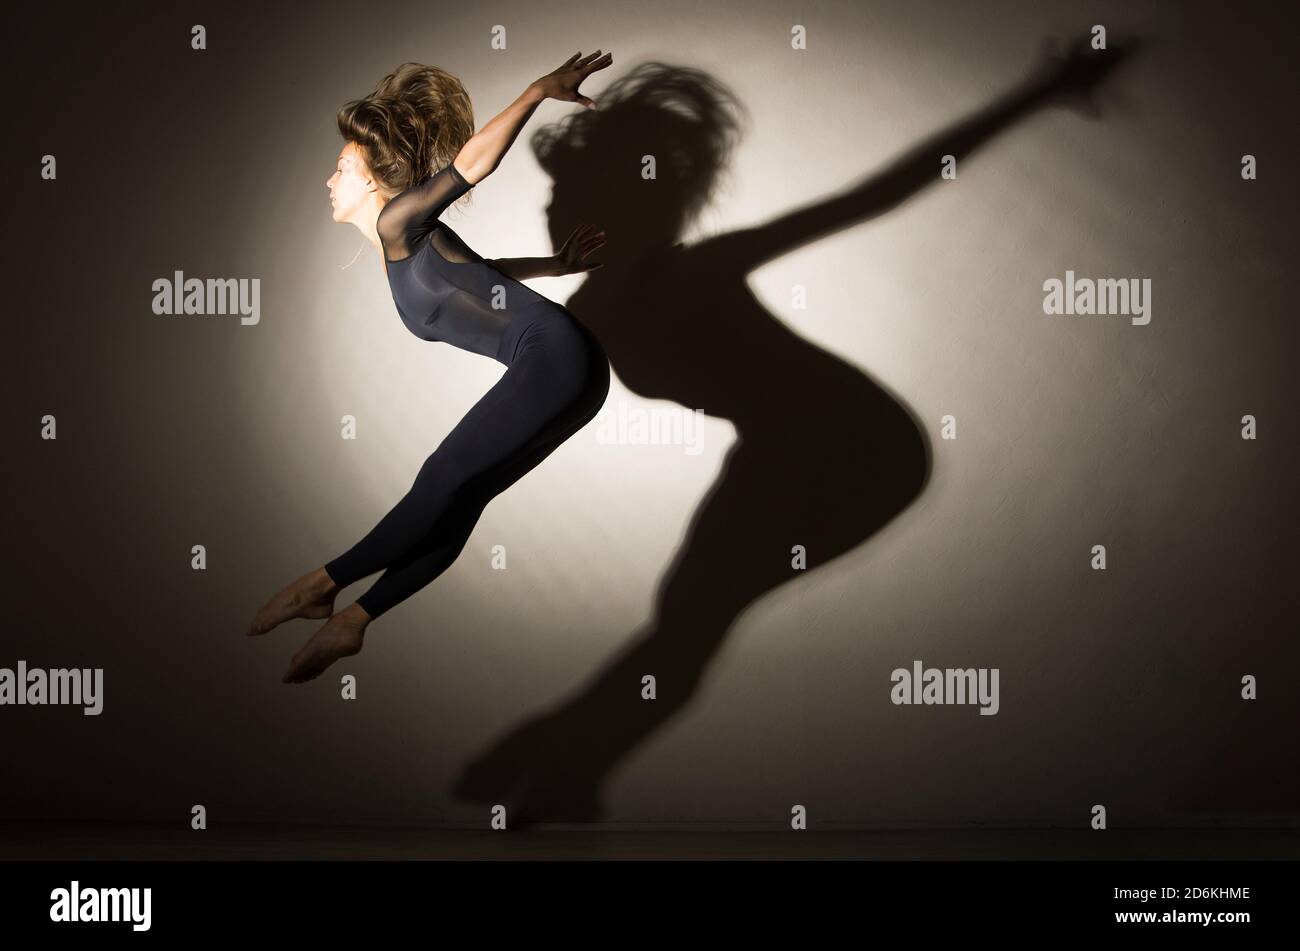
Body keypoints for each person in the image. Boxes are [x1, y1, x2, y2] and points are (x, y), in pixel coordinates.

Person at [249, 51, 615, 684]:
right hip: (576, 378)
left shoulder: (400, 222)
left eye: (339, 168)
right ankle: (354, 619)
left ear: (370, 182)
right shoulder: (412, 249)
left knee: (442, 479)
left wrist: (534, 92)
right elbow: (484, 280)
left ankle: (320, 584)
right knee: (459, 500)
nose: (328, 181)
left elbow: (471, 165)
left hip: (555, 361)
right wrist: (554, 266)